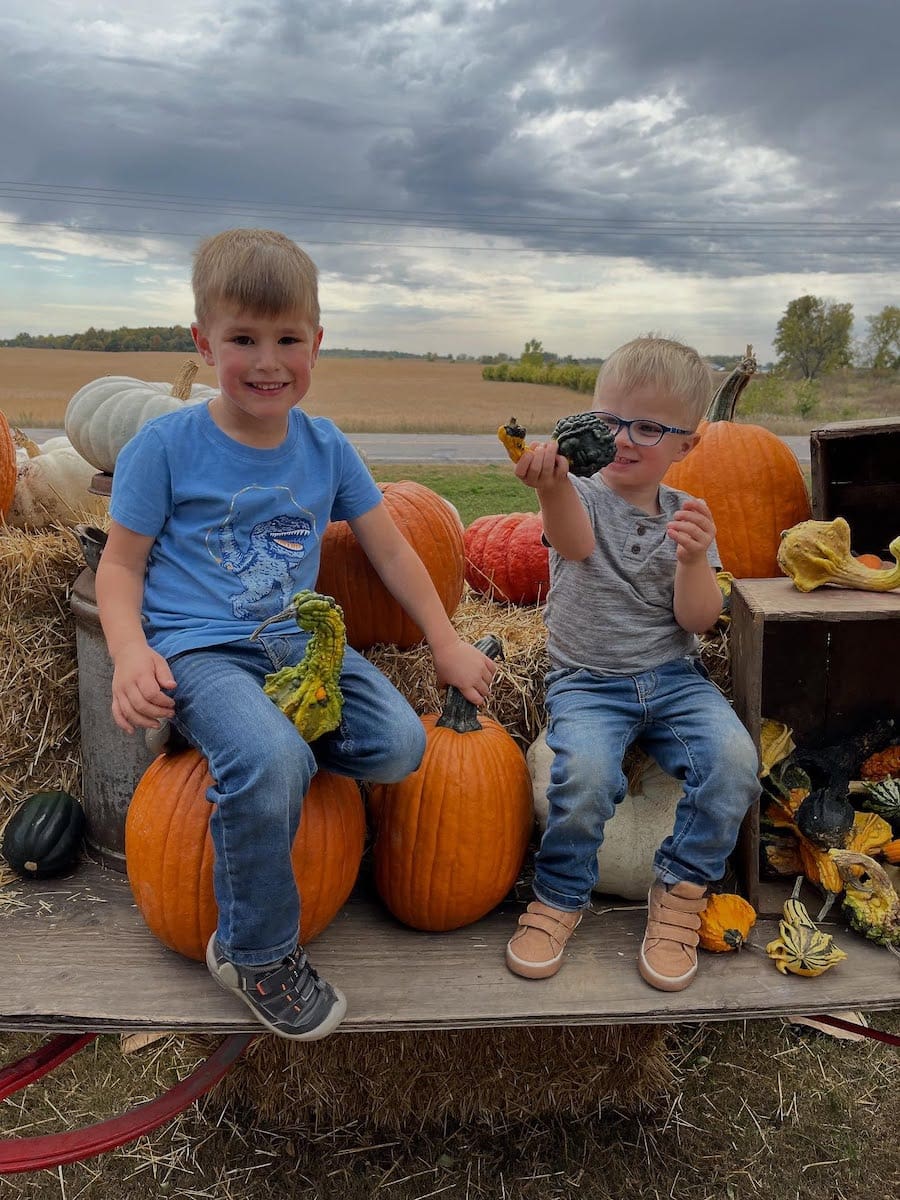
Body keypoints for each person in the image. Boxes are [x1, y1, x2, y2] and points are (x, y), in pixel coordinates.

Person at [96, 228, 496, 1039]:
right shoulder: (165, 447)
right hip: (199, 649)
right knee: (273, 758)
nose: (267, 360)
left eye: (287, 340)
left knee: (399, 746)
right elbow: (120, 569)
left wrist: (445, 640)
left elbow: (390, 547)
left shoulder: (325, 446)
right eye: (243, 339)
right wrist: (132, 653)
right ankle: (254, 950)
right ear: (205, 343)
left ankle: (242, 753)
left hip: (298, 648)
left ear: (317, 342)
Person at [504, 336, 760, 992]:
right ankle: (560, 895)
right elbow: (573, 542)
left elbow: (699, 621)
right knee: (584, 777)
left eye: (647, 427)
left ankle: (679, 895)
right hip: (586, 681)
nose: (622, 438)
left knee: (734, 763)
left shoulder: (688, 516)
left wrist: (695, 560)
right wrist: (552, 486)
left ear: (687, 445)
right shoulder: (579, 497)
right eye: (608, 420)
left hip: (673, 680)